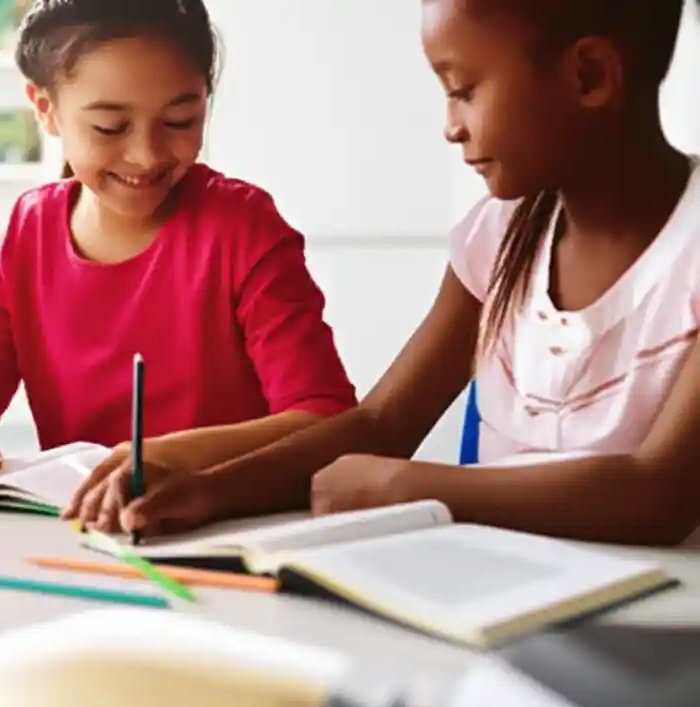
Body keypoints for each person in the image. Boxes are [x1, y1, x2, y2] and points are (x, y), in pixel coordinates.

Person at [73, 0, 700, 546]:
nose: (450, 127)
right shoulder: (500, 233)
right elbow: (381, 424)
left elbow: (660, 492)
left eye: (463, 90)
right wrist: (208, 490)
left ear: (589, 76)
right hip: (502, 595)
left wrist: (417, 485)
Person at [0, 0, 357, 498]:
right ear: (45, 109)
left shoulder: (243, 228)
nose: (147, 155)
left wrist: (170, 457)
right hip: (81, 539)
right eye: (110, 127)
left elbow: (328, 422)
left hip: (226, 534)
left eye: (181, 120)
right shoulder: (28, 231)